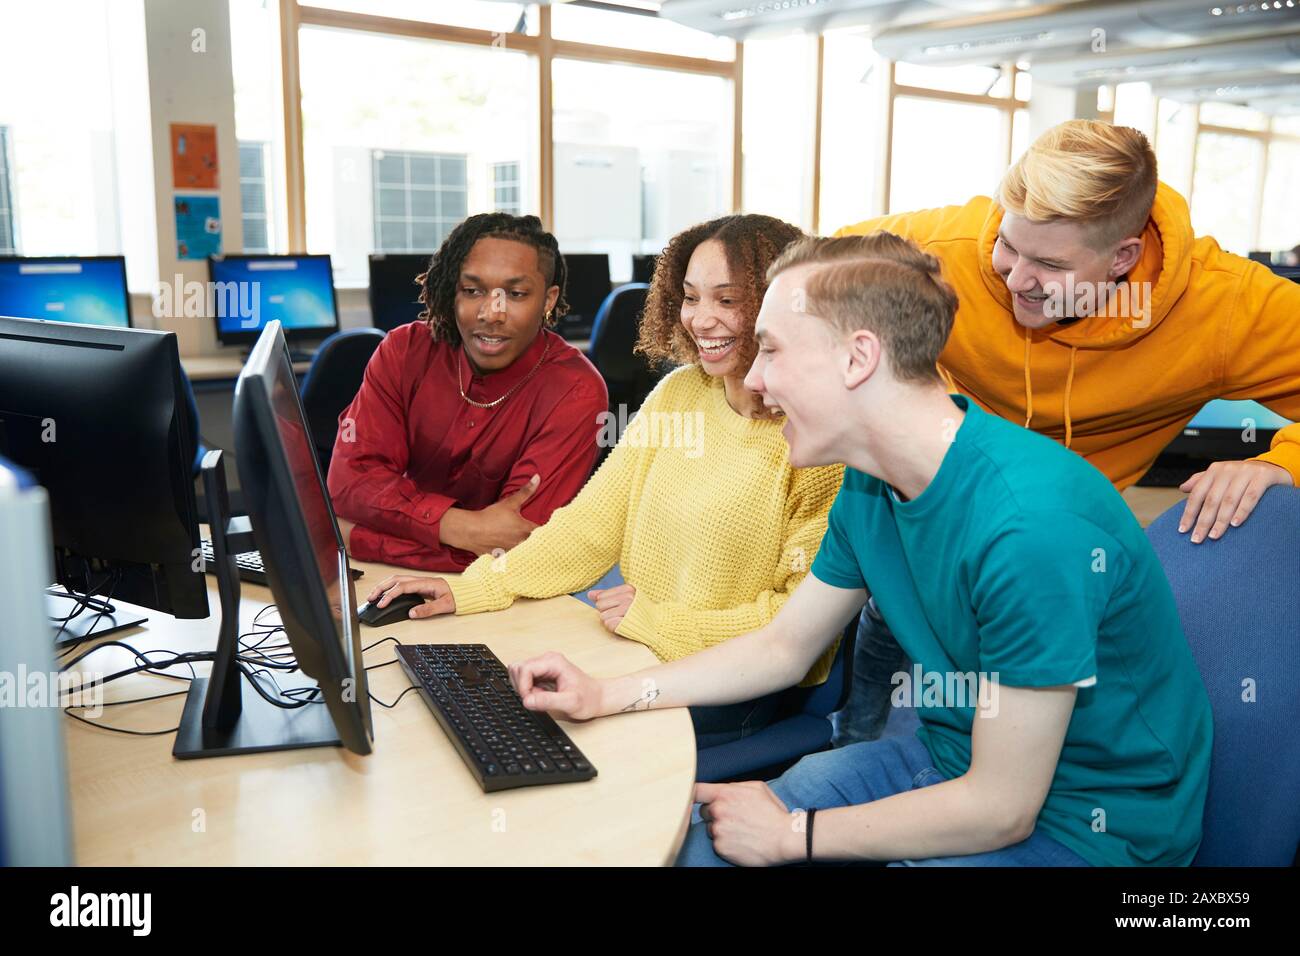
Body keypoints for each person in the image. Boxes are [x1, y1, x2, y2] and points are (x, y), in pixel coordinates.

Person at [505, 233, 1213, 867]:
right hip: (945, 755)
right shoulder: (872, 485)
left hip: (1087, 830)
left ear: (858, 358)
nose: (753, 378)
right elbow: (783, 647)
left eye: (774, 350)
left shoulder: (1030, 528)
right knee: (691, 848)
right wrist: (608, 694)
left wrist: (793, 837)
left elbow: (1003, 809)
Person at [832, 119, 1300, 744]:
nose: (1016, 277)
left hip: (1060, 565)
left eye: (1050, 264)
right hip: (927, 544)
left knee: (1012, 749)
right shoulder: (939, 246)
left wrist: (1281, 462)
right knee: (872, 728)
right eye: (1008, 244)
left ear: (1123, 258)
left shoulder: (1224, 307)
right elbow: (802, 291)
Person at [364, 215, 846, 747]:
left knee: (534, 743)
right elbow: (590, 526)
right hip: (631, 647)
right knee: (467, 710)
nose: (701, 319)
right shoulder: (680, 394)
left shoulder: (818, 443)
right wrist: (472, 588)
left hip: (723, 688)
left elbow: (796, 627)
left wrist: (660, 624)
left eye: (728, 301)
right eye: (689, 297)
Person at [327, 213, 608, 572]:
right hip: (388, 580)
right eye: (472, 290)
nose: (492, 313)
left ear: (548, 300)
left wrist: (358, 538)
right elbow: (349, 483)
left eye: (517, 294)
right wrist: (461, 527)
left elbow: (518, 547)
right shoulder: (404, 351)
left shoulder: (576, 391)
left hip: (504, 601)